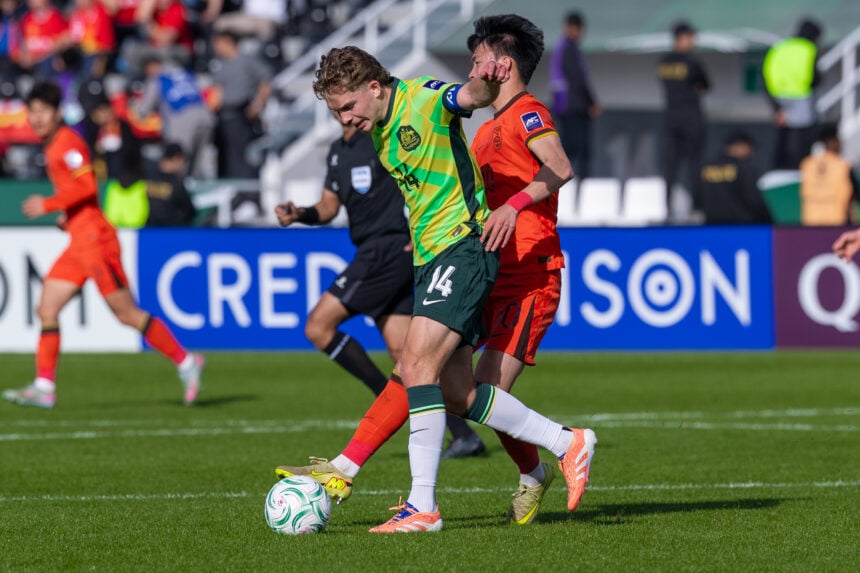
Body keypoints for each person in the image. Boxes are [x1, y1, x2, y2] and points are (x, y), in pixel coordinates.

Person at [277, 45, 596, 534]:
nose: (343, 118)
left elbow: (465, 95)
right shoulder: (380, 134)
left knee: (415, 364)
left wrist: (485, 81)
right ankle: (563, 444)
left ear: (375, 88)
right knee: (453, 389)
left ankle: (420, 505)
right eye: (335, 111)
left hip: (463, 248)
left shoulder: (422, 98)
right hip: (430, 259)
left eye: (347, 106)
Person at [275, 121, 486, 455]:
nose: (341, 111)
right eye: (333, 103)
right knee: (409, 359)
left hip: (387, 249)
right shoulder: (337, 150)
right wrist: (300, 213)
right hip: (374, 251)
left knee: (318, 326)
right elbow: (329, 207)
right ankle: (463, 434)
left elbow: (415, 181)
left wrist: (416, 232)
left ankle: (385, 401)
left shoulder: (379, 140)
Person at [2, 81, 204, 409]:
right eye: (32, 112)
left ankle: (186, 361)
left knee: (126, 314)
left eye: (43, 112)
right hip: (78, 241)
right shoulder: (53, 145)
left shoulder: (68, 143)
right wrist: (67, 214)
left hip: (97, 241)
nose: (36, 119)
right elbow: (78, 193)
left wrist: (51, 204)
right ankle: (44, 386)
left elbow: (87, 185)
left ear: (56, 113)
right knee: (47, 308)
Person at [657, 20, 710, 220]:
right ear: (680, 38)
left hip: (671, 117)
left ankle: (667, 207)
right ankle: (696, 207)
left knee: (670, 164)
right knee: (695, 163)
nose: (693, 41)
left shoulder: (663, 62)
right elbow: (705, 85)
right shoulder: (693, 62)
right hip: (691, 117)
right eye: (690, 37)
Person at [135, 55, 214, 178]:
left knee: (178, 158)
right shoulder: (186, 74)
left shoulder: (158, 79)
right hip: (205, 117)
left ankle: (180, 188)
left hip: (182, 118)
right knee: (198, 159)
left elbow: (144, 110)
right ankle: (196, 186)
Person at [209, 29, 271, 178]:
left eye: (218, 44)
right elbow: (216, 91)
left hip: (242, 114)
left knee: (240, 156)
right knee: (224, 156)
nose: (216, 48)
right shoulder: (220, 65)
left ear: (228, 42)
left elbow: (266, 82)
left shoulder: (247, 60)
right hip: (223, 116)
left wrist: (258, 105)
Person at [763, 19, 822, 170]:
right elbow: (815, 78)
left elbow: (764, 76)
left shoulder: (780, 47)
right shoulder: (809, 49)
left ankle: (778, 168)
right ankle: (799, 169)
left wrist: (776, 108)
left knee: (782, 136)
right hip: (800, 96)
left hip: (777, 96)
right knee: (802, 138)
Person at [549, 10, 600, 180]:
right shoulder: (568, 49)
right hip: (573, 107)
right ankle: (573, 182)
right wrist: (592, 103)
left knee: (570, 147)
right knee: (578, 148)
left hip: (564, 106)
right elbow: (577, 80)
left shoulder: (563, 47)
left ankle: (568, 181)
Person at [700, 132, 771, 224]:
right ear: (740, 145)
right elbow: (754, 200)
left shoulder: (705, 168)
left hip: (711, 226)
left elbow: (697, 197)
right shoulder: (743, 168)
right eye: (749, 148)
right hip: (741, 227)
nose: (751, 152)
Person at [799, 125, 859, 226]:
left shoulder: (807, 164)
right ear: (832, 141)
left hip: (810, 223)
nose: (841, 144)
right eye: (839, 140)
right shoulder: (843, 166)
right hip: (836, 223)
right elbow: (853, 198)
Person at [145, 141, 197, 226]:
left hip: (143, 232)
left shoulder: (146, 176)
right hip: (170, 234)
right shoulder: (176, 184)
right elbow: (190, 213)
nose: (183, 165)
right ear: (177, 158)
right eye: (183, 161)